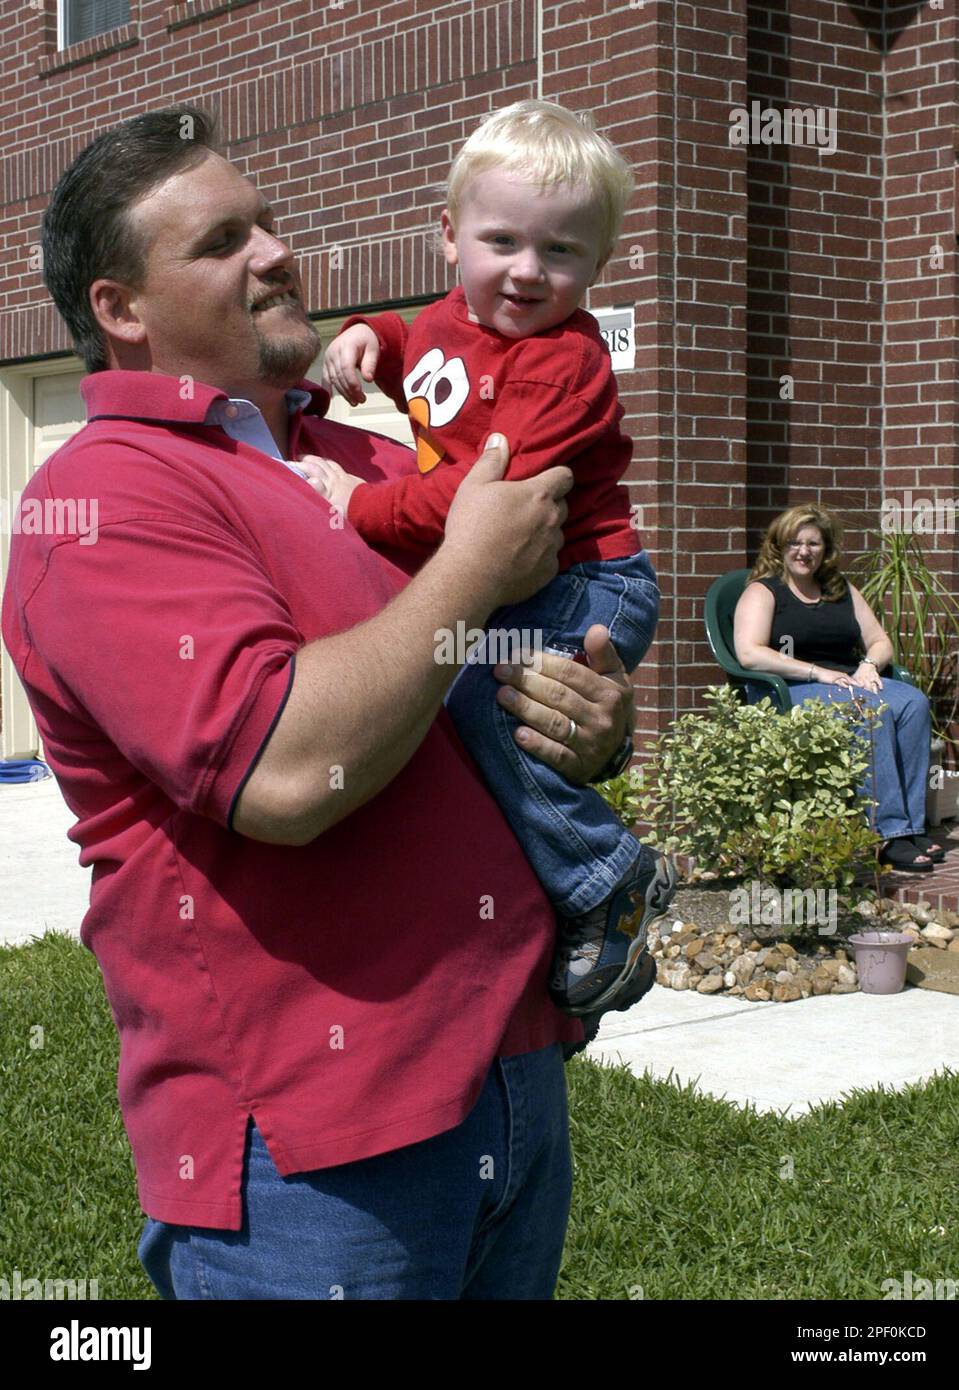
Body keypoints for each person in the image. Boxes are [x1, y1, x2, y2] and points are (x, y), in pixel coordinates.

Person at [0, 106, 642, 1300]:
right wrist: (469, 569)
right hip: (312, 1152)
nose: (276, 253)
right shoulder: (102, 499)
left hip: (510, 1082)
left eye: (273, 223)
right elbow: (287, 776)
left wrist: (585, 723)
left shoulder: (360, 461)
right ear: (120, 310)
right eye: (223, 240)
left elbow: (478, 677)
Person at [312, 100, 676, 1024]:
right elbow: (415, 351)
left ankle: (608, 878)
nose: (526, 271)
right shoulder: (451, 321)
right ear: (449, 235)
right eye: (502, 239)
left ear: (598, 265)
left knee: (480, 699)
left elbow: (477, 503)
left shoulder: (564, 366)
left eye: (560, 253)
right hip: (535, 578)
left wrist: (357, 506)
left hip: (590, 576)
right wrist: (367, 334)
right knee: (489, 711)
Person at [733, 503, 945, 873]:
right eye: (795, 542)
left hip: (848, 680)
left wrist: (867, 664)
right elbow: (750, 654)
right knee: (864, 708)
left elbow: (880, 641)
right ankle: (887, 833)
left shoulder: (840, 589)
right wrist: (817, 672)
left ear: (825, 550)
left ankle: (912, 825)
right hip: (791, 687)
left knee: (913, 703)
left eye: (813, 543)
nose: (804, 551)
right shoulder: (764, 592)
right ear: (780, 547)